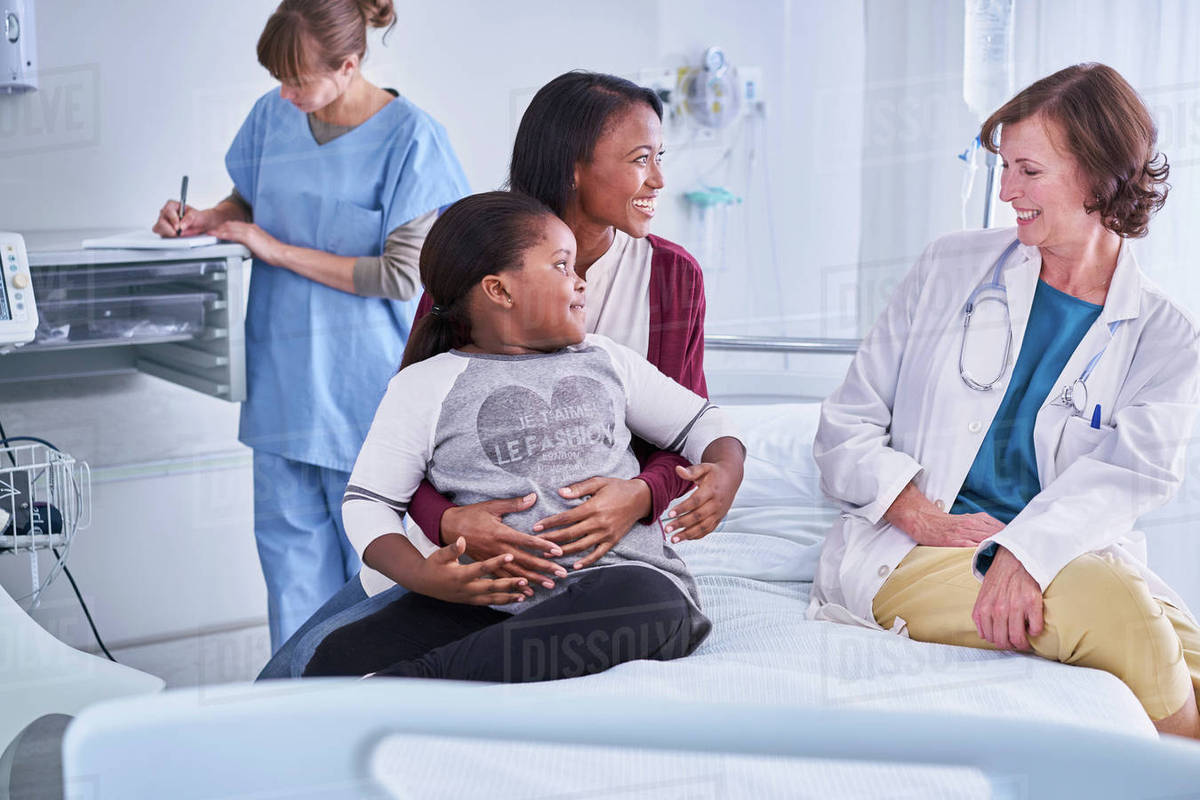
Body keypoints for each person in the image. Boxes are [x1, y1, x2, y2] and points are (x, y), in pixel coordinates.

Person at [259, 71, 731, 677]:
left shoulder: (664, 285)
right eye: (642, 160)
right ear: (574, 168)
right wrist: (450, 523)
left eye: (658, 158)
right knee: (298, 669)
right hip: (470, 563)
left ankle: (421, 687)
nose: (659, 180)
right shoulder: (478, 252)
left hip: (603, 566)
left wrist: (643, 493)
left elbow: (690, 428)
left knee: (637, 602)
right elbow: (403, 465)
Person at [810, 63, 1200, 739]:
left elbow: (1133, 475)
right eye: (1003, 166)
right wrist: (918, 514)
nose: (1006, 191)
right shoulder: (950, 266)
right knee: (1116, 607)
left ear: (1099, 176)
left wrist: (1026, 551)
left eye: (1028, 170)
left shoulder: (1165, 332)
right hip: (915, 552)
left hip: (1061, 552)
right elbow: (847, 426)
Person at [152, 0, 468, 652]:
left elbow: (400, 276)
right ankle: (293, 728)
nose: (285, 93)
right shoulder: (276, 115)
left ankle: (376, 729)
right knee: (292, 586)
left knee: (377, 584)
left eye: (297, 80)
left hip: (366, 397)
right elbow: (250, 198)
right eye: (278, 79)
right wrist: (207, 218)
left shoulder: (411, 139)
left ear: (349, 65)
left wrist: (270, 247)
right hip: (282, 390)